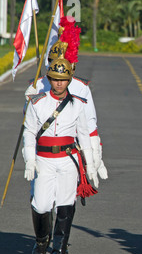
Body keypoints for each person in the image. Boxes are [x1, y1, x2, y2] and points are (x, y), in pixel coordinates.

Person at [24, 54, 99, 254]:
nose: (59, 83)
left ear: (69, 79)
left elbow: (84, 135)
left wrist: (91, 164)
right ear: (49, 78)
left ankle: (58, 253)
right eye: (55, 78)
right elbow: (29, 132)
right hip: (43, 160)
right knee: (41, 205)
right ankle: (41, 242)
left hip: (68, 160)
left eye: (63, 79)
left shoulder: (78, 104)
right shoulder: (37, 102)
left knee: (65, 206)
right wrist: (29, 160)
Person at [25, 17, 108, 181]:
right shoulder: (36, 86)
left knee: (68, 196)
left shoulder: (81, 87)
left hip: (70, 150)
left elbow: (89, 125)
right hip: (43, 149)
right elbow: (28, 124)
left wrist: (94, 159)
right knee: (40, 200)